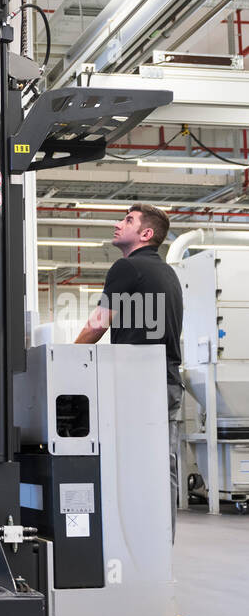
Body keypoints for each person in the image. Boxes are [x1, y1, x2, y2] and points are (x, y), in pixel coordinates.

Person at [74, 203, 183, 539]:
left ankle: (132, 540)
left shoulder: (127, 268)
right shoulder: (167, 272)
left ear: (146, 234)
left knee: (129, 464)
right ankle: (160, 543)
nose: (119, 224)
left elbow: (98, 324)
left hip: (138, 383)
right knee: (164, 467)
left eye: (128, 220)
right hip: (167, 380)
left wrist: (65, 359)